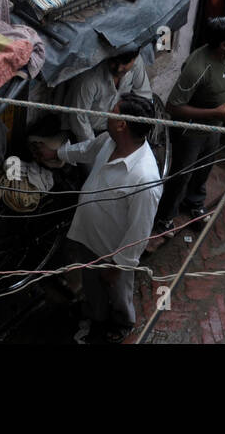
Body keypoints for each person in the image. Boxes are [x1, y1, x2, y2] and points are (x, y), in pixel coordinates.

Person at [38, 93, 161, 343]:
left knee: (117, 293)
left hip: (112, 252)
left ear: (122, 124)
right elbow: (86, 150)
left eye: (112, 111)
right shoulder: (110, 140)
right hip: (88, 235)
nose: (107, 113)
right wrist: (57, 154)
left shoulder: (145, 179)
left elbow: (139, 233)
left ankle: (122, 323)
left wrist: (118, 267)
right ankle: (95, 314)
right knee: (92, 284)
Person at [151, 17, 225, 237]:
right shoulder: (197, 67)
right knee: (182, 174)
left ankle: (194, 203)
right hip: (191, 131)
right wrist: (216, 113)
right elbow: (173, 107)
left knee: (205, 165)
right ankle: (165, 217)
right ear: (223, 45)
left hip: (215, 127)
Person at [59, 48, 152, 144]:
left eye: (124, 63)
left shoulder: (137, 64)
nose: (119, 68)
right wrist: (93, 147)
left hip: (114, 129)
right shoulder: (89, 79)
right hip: (86, 130)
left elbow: (144, 96)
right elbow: (78, 118)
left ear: (134, 59)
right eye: (114, 62)